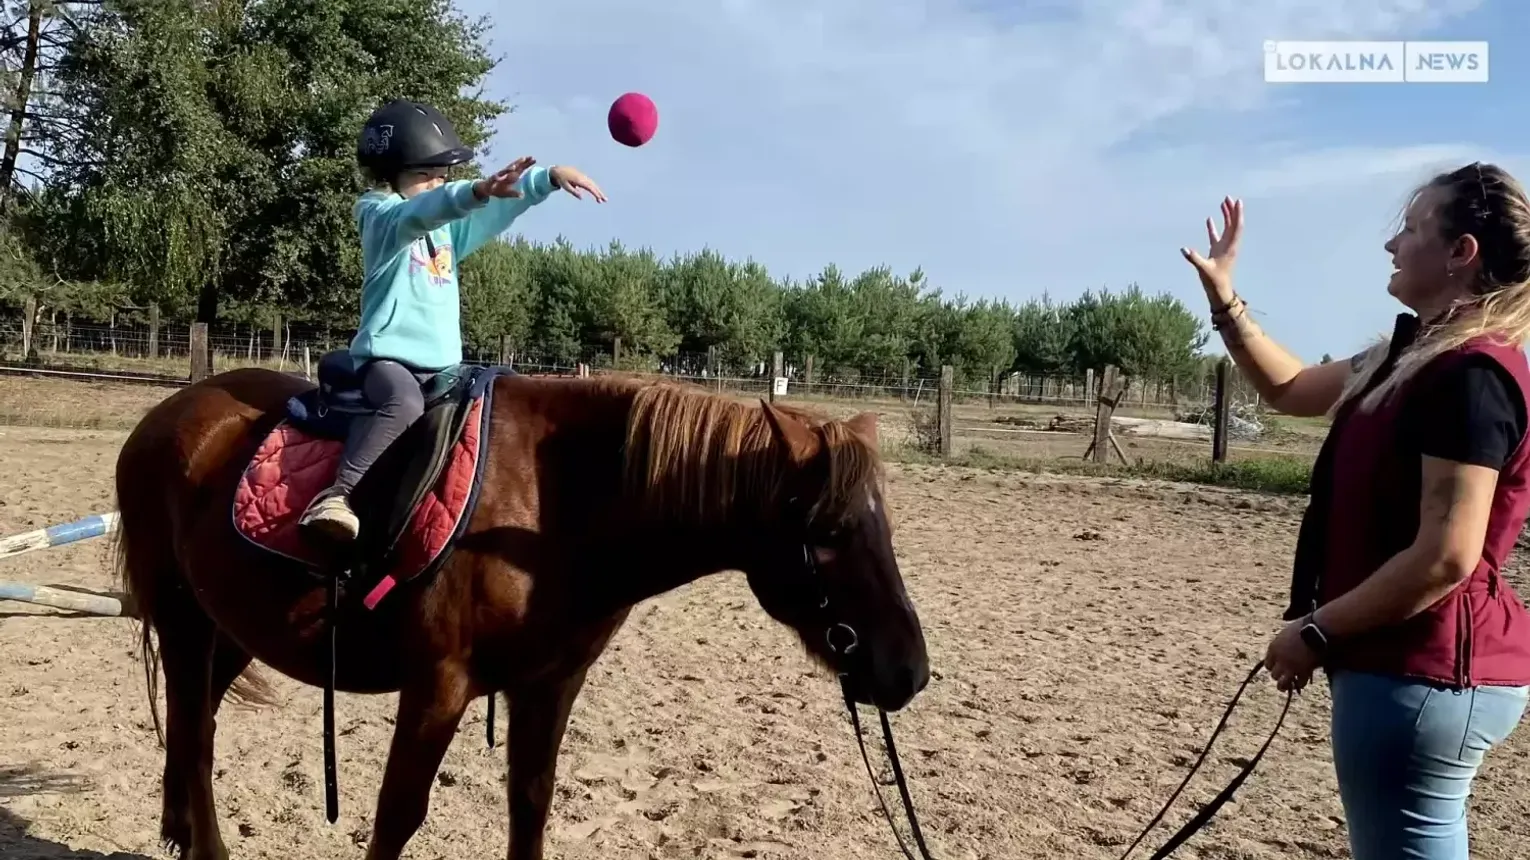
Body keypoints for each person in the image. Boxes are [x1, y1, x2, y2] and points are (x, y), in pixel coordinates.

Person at [1181, 162, 1530, 859]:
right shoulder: (1406, 358)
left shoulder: (1471, 378)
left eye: (1410, 228)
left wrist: (1314, 631)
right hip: (1406, 668)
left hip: (1422, 670)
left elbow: (1446, 556)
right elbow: (1290, 388)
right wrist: (1226, 302)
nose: (1391, 245)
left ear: (1462, 253)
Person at [299, 99, 606, 542]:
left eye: (441, 176)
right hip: (388, 363)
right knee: (402, 403)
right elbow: (422, 211)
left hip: (444, 367)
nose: (436, 184)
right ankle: (338, 495)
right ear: (391, 175)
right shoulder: (380, 216)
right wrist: (474, 191)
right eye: (424, 175)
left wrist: (548, 179)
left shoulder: (445, 230)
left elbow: (492, 211)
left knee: (501, 399)